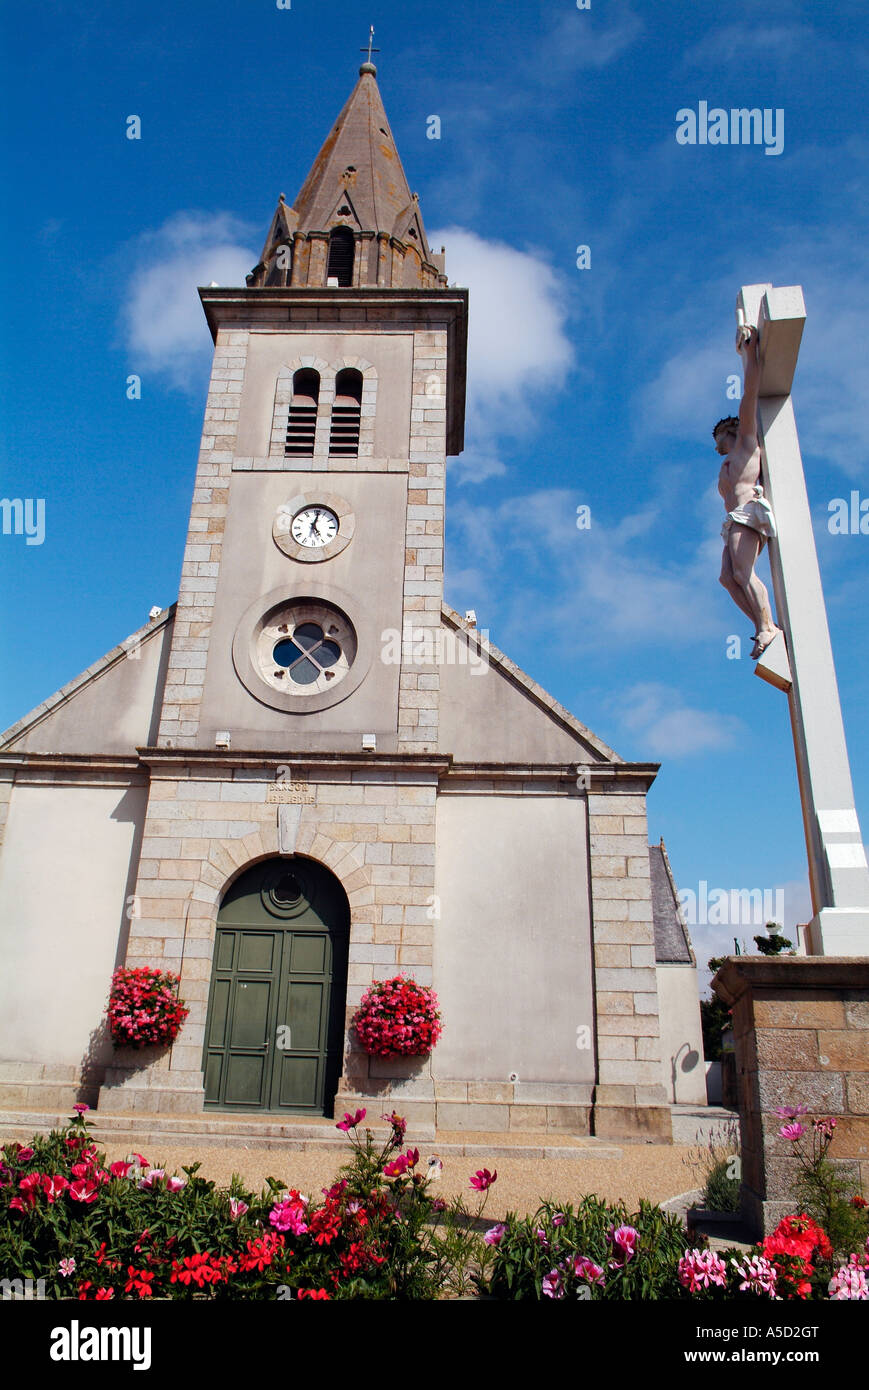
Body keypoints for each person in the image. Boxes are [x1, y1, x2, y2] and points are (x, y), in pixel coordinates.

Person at [714, 325, 782, 659]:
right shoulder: (727, 462)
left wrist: (749, 353)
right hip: (732, 521)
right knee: (727, 578)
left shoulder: (745, 443)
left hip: (747, 515)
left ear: (728, 432)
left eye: (717, 439)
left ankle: (767, 626)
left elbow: (750, 395)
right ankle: (760, 624)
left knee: (742, 573)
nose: (716, 447)